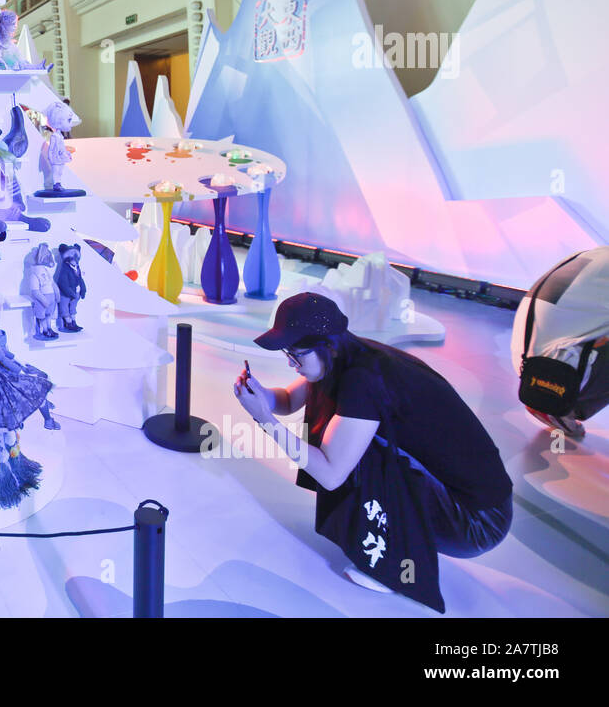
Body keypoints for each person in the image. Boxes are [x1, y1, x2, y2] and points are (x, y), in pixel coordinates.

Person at [233, 293, 512, 605]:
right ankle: (405, 536)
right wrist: (261, 396)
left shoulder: (363, 380)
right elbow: (288, 399)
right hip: (469, 502)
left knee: (360, 448)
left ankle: (392, 568)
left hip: (478, 522)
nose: (290, 362)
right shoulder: (344, 354)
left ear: (327, 346)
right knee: (351, 437)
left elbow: (330, 473)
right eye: (288, 353)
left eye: (297, 355)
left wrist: (264, 420)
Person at [511, 246, 609, 439]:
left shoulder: (596, 254)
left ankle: (561, 405)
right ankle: (559, 406)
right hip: (556, 372)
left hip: (528, 364)